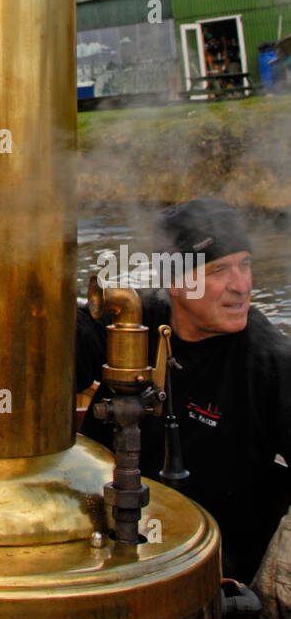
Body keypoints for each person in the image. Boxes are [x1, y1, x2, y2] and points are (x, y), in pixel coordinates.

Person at [77, 198, 291, 584]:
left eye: (245, 265)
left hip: (210, 577)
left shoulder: (271, 362)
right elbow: (50, 357)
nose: (242, 286)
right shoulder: (129, 320)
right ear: (175, 283)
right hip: (94, 547)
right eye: (219, 270)